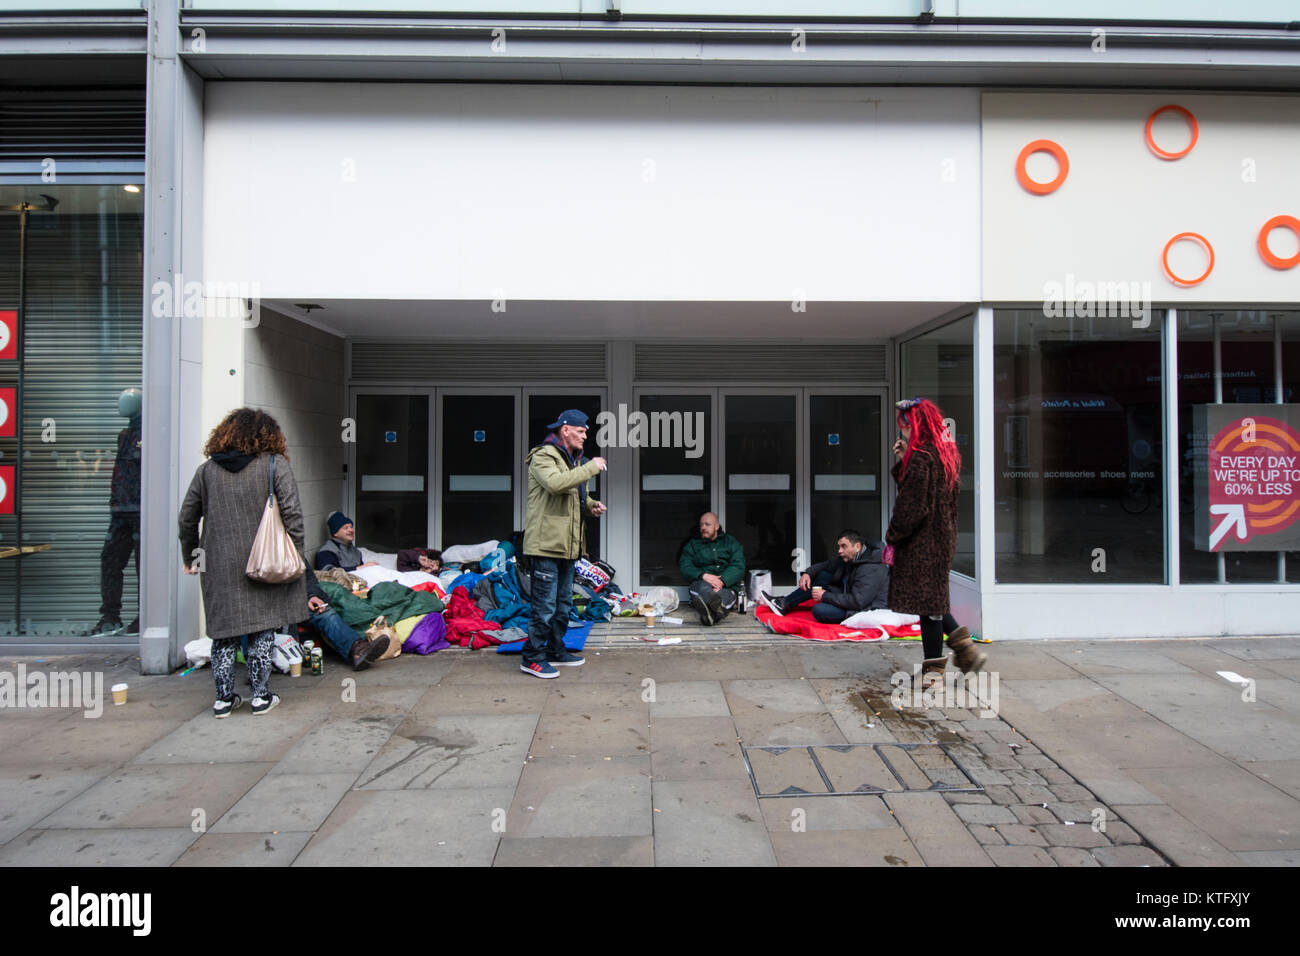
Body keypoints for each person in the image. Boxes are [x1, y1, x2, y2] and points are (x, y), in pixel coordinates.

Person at [178, 407, 305, 717]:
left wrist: (191, 556)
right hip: (264, 560)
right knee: (262, 629)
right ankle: (260, 696)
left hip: (217, 563)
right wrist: (296, 553)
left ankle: (223, 700)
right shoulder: (274, 466)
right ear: (268, 435)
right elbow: (293, 514)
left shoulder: (207, 471)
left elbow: (186, 518)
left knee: (223, 634)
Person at [886, 397, 986, 688]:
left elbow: (912, 505)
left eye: (904, 424)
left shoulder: (922, 458)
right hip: (941, 539)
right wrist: (905, 457)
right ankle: (966, 651)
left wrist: (893, 536)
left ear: (914, 424)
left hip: (924, 543)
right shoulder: (942, 454)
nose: (902, 430)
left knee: (929, 607)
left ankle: (933, 673)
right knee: (934, 601)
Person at [519, 409, 607, 678]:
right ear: (565, 429)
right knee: (544, 606)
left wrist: (591, 505)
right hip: (546, 545)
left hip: (568, 547)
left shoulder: (574, 461)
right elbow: (556, 484)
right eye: (581, 431)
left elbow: (576, 496)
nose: (585, 436)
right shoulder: (543, 456)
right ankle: (532, 657)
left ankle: (556, 650)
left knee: (563, 604)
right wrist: (591, 468)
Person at [89, 388, 142, 636]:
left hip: (141, 511)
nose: (122, 406)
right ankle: (110, 616)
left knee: (143, 566)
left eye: (127, 402)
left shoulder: (150, 434)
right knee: (110, 561)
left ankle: (144, 616)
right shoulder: (124, 436)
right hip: (121, 511)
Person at [760, 529, 888, 623]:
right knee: (824, 575)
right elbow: (827, 564)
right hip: (849, 594)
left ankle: (784, 604)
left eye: (844, 547)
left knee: (819, 610)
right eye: (839, 546)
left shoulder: (871, 567)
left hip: (864, 609)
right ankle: (784, 603)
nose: (840, 551)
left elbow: (858, 601)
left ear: (857, 546)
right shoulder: (853, 556)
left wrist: (824, 596)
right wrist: (807, 573)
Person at [303, 565, 390, 670]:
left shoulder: (295, 556)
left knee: (326, 609)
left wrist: (312, 595)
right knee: (325, 615)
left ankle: (360, 648)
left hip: (301, 597)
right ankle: (358, 650)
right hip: (288, 605)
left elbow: (308, 576)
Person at [679, 511, 745, 625]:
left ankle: (709, 616)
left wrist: (722, 581)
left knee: (725, 596)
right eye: (701, 525)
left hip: (726, 586)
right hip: (701, 583)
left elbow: (738, 565)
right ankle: (713, 611)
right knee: (703, 590)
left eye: (707, 524)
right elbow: (685, 566)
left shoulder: (730, 542)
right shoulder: (693, 544)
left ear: (717, 526)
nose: (703, 527)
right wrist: (703, 575)